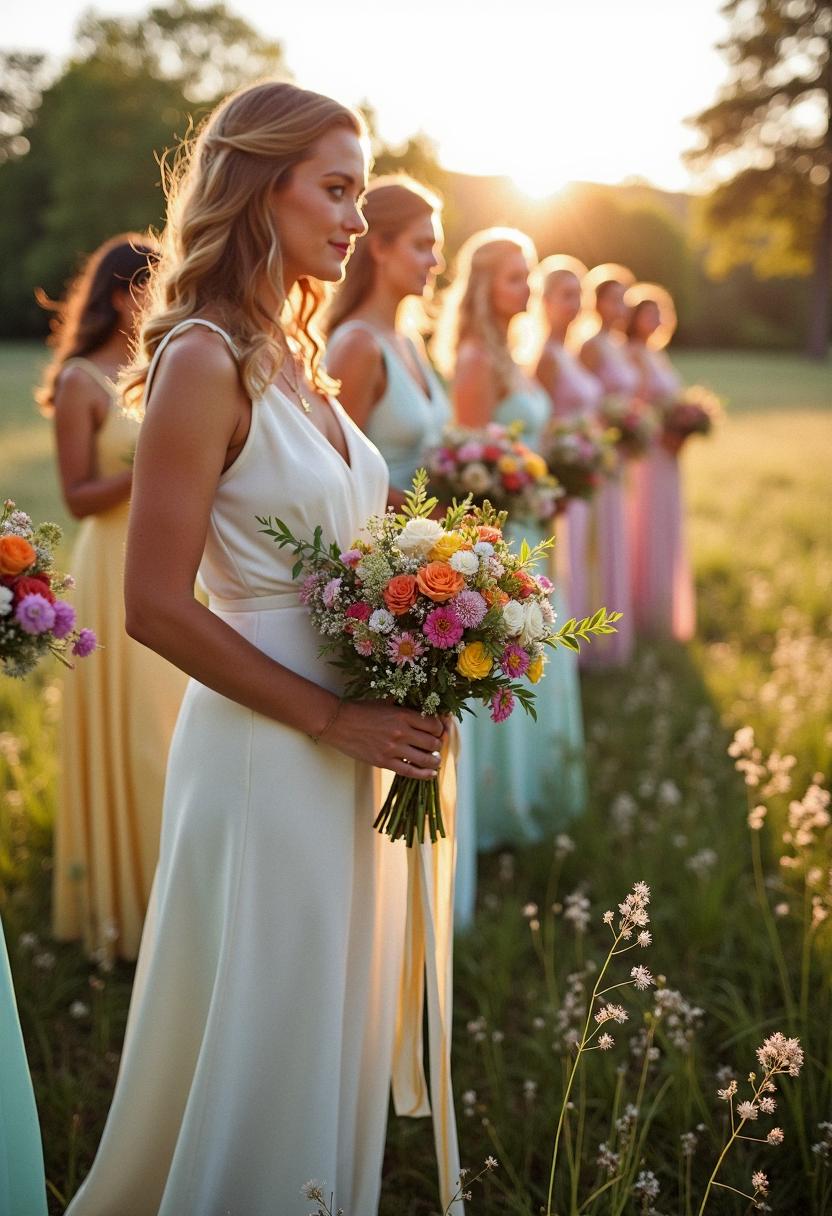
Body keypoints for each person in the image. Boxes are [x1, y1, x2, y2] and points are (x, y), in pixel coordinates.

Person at [64, 81, 461, 1216]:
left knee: (330, 999)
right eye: (334, 188)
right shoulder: (202, 358)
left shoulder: (299, 355)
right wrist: (332, 714)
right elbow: (152, 602)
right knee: (269, 1011)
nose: (353, 215)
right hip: (266, 745)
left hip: (351, 735)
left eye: (357, 188)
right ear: (260, 187)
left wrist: (430, 637)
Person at [37, 236, 187, 962]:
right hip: (111, 567)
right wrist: (157, 469)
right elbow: (75, 496)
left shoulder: (170, 370)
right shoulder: (82, 382)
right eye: (158, 288)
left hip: (179, 566)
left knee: (176, 731)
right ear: (125, 295)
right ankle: (130, 915)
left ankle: (185, 904)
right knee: (138, 739)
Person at [434, 229, 587, 927]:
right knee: (505, 664)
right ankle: (492, 812)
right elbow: (464, 476)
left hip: (530, 528)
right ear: (482, 286)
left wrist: (547, 487)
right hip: (501, 537)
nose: (524, 290)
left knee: (536, 668)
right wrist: (520, 497)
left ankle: (530, 798)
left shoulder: (515, 359)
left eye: (527, 277)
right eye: (512, 278)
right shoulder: (475, 361)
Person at [325, 174, 450, 507]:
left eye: (435, 248)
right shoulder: (358, 347)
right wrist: (435, 521)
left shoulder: (408, 342)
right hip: (377, 547)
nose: (436, 263)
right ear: (380, 247)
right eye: (422, 246)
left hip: (422, 550)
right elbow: (341, 475)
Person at [533, 254, 605, 632]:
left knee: (584, 555)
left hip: (580, 466)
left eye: (578, 295)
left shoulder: (570, 354)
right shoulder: (545, 357)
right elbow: (539, 422)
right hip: (560, 470)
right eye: (565, 295)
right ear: (544, 301)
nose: (574, 304)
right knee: (565, 555)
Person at [626, 285, 695, 640]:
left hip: (669, 455)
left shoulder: (658, 354)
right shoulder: (634, 354)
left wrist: (687, 422)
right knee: (645, 522)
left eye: (659, 313)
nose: (654, 320)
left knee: (666, 521)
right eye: (647, 313)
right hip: (649, 455)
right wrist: (664, 432)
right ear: (634, 318)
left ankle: (663, 607)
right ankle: (643, 608)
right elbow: (634, 407)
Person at [577, 264, 638, 668]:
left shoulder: (617, 344)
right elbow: (583, 402)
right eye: (613, 297)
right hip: (598, 455)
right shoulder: (590, 346)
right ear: (595, 301)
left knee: (614, 537)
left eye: (623, 299)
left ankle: (613, 631)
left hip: (617, 458)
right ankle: (590, 634)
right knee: (594, 546)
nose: (619, 306)